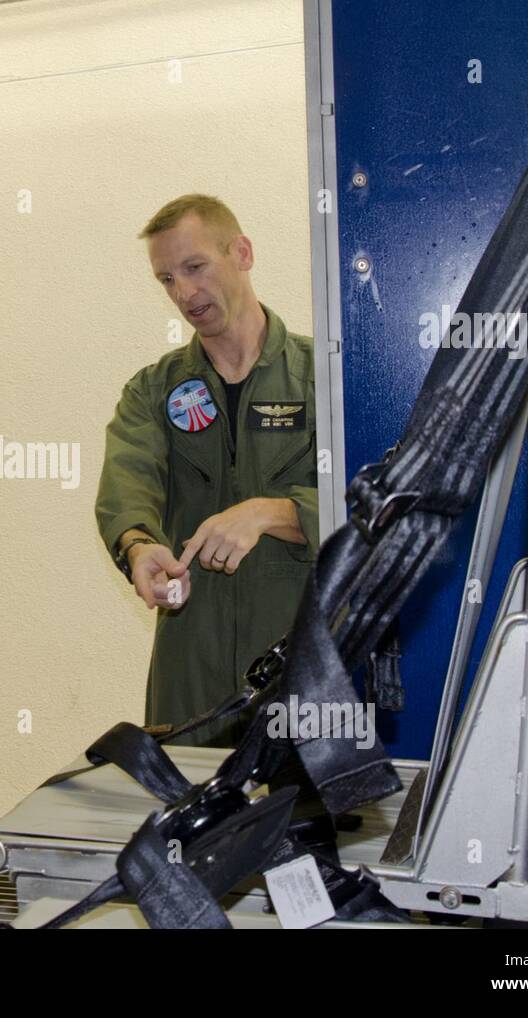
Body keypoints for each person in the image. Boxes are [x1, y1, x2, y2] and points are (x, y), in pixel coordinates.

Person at [95, 194, 319, 747]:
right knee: (187, 829)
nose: (183, 293)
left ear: (241, 252)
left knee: (304, 827)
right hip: (190, 674)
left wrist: (277, 512)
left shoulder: (327, 381)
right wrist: (139, 547)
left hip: (306, 669)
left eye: (194, 268)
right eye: (166, 278)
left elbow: (374, 507)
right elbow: (128, 484)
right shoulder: (154, 390)